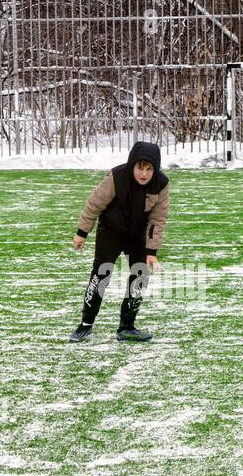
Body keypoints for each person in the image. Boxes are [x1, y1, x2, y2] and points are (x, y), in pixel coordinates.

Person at [69, 141, 170, 342]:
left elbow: (157, 219)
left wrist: (151, 252)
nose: (144, 173)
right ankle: (86, 323)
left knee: (140, 275)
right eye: (140, 168)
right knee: (101, 273)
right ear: (132, 165)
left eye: (149, 169)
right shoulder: (116, 177)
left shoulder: (161, 184)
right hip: (111, 232)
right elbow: (94, 204)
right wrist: (82, 232)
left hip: (138, 235)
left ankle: (127, 326)